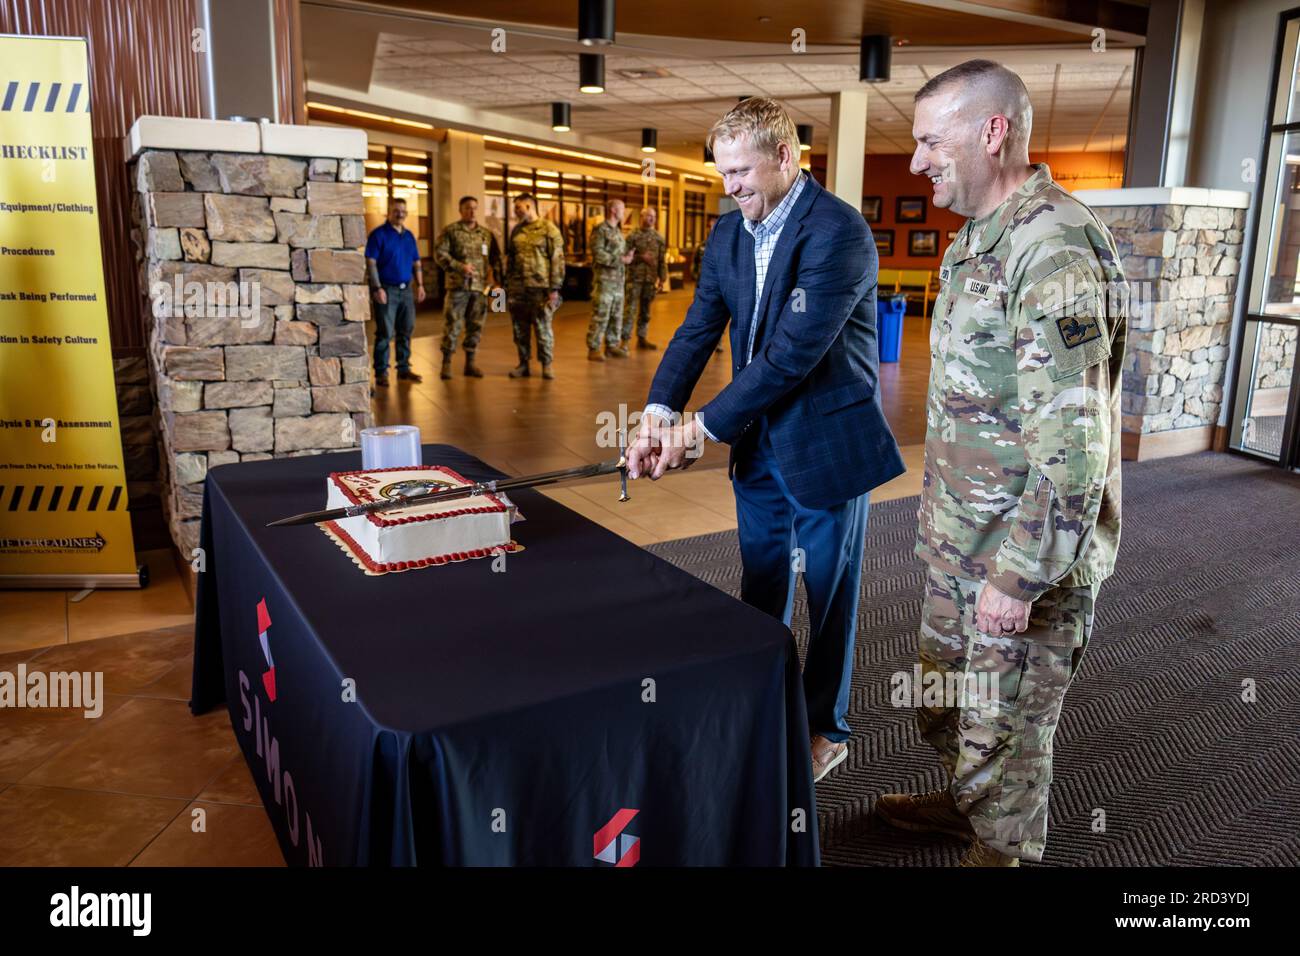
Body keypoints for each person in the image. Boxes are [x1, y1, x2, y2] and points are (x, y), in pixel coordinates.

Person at [878, 59, 1126, 867]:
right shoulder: (977, 239)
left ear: (993, 132)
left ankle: (1002, 850)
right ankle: (966, 808)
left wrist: (1019, 578)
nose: (917, 161)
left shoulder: (1052, 248)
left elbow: (1075, 447)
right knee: (948, 703)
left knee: (1007, 731)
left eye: (928, 142)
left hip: (1019, 559)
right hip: (961, 539)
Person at [625, 97, 906, 784]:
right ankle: (759, 702)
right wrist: (658, 414)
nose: (733, 187)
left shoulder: (839, 233)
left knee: (829, 596)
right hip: (757, 445)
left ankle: (825, 727)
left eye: (743, 171)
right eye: (723, 174)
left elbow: (789, 357)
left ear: (786, 157)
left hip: (826, 444)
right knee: (763, 582)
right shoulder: (727, 235)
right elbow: (696, 330)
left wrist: (699, 430)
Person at [434, 195, 502, 380]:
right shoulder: (450, 231)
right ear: (460, 210)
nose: (471, 211)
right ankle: (446, 363)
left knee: (476, 326)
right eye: (467, 208)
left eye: (474, 208)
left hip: (479, 289)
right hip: (458, 287)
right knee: (452, 325)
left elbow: (494, 258)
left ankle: (470, 363)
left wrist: (493, 280)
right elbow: (440, 254)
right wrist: (459, 266)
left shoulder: (486, 234)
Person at [365, 197, 425, 386]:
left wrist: (420, 285)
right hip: (386, 290)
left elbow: (417, 262)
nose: (400, 214)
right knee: (385, 332)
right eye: (396, 210)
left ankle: (404, 369)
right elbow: (371, 262)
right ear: (388, 212)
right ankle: (381, 372)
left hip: (406, 290)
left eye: (403, 211)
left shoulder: (409, 236)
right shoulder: (378, 235)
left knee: (406, 330)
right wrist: (377, 288)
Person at [505, 193, 565, 380]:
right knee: (519, 330)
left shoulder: (549, 229)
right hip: (518, 289)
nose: (516, 211)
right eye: (515, 208)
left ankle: (546, 365)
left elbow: (557, 260)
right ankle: (523, 364)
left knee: (543, 329)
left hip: (541, 290)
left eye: (519, 207)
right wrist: (507, 288)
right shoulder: (516, 231)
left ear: (530, 206)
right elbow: (511, 261)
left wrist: (554, 289)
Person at [586, 199, 636, 361]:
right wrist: (620, 259)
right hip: (604, 282)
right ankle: (594, 348)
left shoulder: (617, 231)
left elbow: (619, 253)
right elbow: (597, 253)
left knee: (616, 314)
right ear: (614, 210)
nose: (624, 212)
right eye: (622, 209)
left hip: (618, 282)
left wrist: (628, 256)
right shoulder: (600, 230)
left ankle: (612, 345)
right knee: (601, 314)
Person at [622, 207, 667, 350]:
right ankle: (625, 341)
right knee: (630, 310)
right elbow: (624, 257)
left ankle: (642, 338)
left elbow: (661, 260)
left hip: (650, 280)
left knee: (646, 311)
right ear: (641, 217)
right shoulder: (632, 236)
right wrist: (641, 257)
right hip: (634, 279)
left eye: (654, 216)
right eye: (649, 216)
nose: (652, 219)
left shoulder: (659, 238)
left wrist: (662, 278)